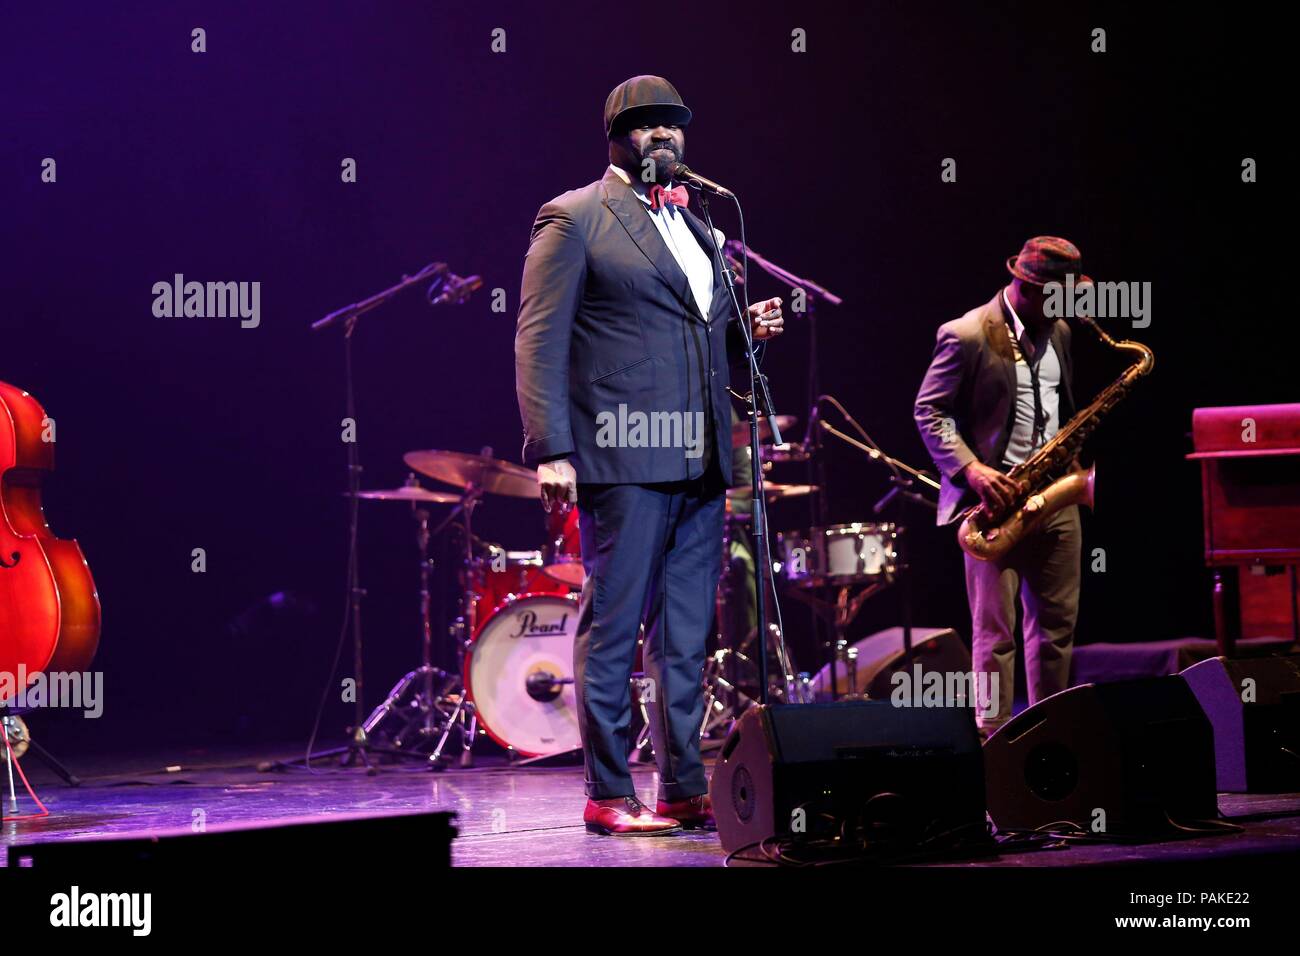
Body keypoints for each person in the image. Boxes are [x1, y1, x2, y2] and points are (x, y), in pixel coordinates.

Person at [514, 75, 783, 834]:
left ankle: (683, 786)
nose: (664, 134)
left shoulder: (701, 227)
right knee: (614, 628)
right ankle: (607, 792)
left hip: (701, 458)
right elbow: (538, 337)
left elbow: (704, 335)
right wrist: (551, 450)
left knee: (687, 637)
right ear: (617, 137)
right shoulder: (573, 218)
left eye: (673, 123)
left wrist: (745, 331)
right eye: (647, 124)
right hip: (624, 455)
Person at [914, 236, 1086, 739]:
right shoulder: (966, 333)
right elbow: (929, 410)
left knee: (1056, 632)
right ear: (1029, 288)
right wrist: (971, 470)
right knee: (995, 636)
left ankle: (1054, 739)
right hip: (994, 507)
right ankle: (996, 745)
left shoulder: (1061, 333)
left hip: (1055, 498)